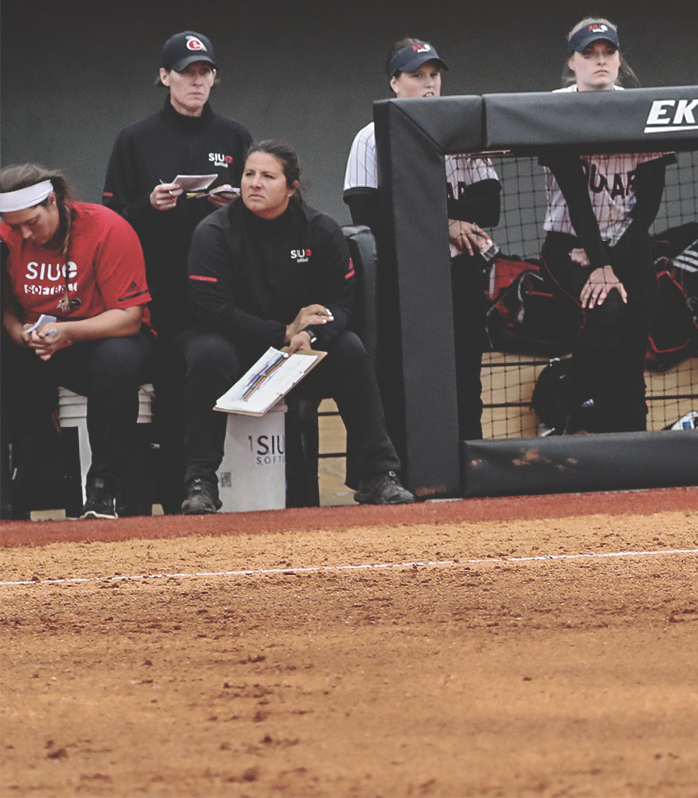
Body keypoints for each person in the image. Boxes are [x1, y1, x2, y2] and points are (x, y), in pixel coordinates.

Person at [179, 141, 415, 513]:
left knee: (350, 350)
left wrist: (309, 335)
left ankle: (377, 473)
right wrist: (283, 331)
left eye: (268, 176)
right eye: (248, 174)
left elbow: (342, 302)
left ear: (292, 187)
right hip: (235, 344)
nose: (254, 184)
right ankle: (200, 481)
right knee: (208, 354)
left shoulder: (320, 230)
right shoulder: (214, 231)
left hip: (297, 350)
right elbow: (212, 311)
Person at [102, 30, 253, 511]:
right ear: (163, 77)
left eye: (204, 72)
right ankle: (147, 498)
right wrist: (149, 206)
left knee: (201, 371)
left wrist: (230, 203)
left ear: (215, 79)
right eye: (186, 72)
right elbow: (112, 218)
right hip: (151, 293)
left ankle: (193, 490)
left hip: (213, 293)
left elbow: (256, 210)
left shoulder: (234, 137)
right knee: (161, 384)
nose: (196, 81)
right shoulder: (135, 139)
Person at [342, 38, 501, 442]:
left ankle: (471, 461)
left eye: (434, 76)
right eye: (417, 76)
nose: (429, 85)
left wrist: (435, 217)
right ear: (394, 83)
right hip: (402, 276)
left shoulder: (464, 135)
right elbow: (366, 215)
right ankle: (400, 474)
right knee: (400, 374)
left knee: (466, 371)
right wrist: (445, 223)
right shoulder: (369, 138)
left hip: (459, 272)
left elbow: (490, 207)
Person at [539, 18, 673, 433]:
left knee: (634, 340)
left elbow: (648, 203)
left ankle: (633, 438)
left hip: (626, 243)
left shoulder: (641, 110)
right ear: (572, 63)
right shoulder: (554, 108)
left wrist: (610, 258)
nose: (600, 61)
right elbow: (577, 198)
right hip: (568, 242)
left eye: (607, 53)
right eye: (589, 54)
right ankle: (567, 396)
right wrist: (599, 262)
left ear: (619, 60)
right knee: (608, 310)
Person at [0, 165, 155, 519]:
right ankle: (15, 493)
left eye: (32, 223)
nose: (24, 234)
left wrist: (68, 332)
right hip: (39, 342)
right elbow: (6, 309)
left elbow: (129, 317)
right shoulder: (7, 237)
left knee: (115, 362)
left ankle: (103, 490)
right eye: (14, 226)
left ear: (52, 201)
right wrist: (19, 334)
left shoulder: (106, 228)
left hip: (106, 336)